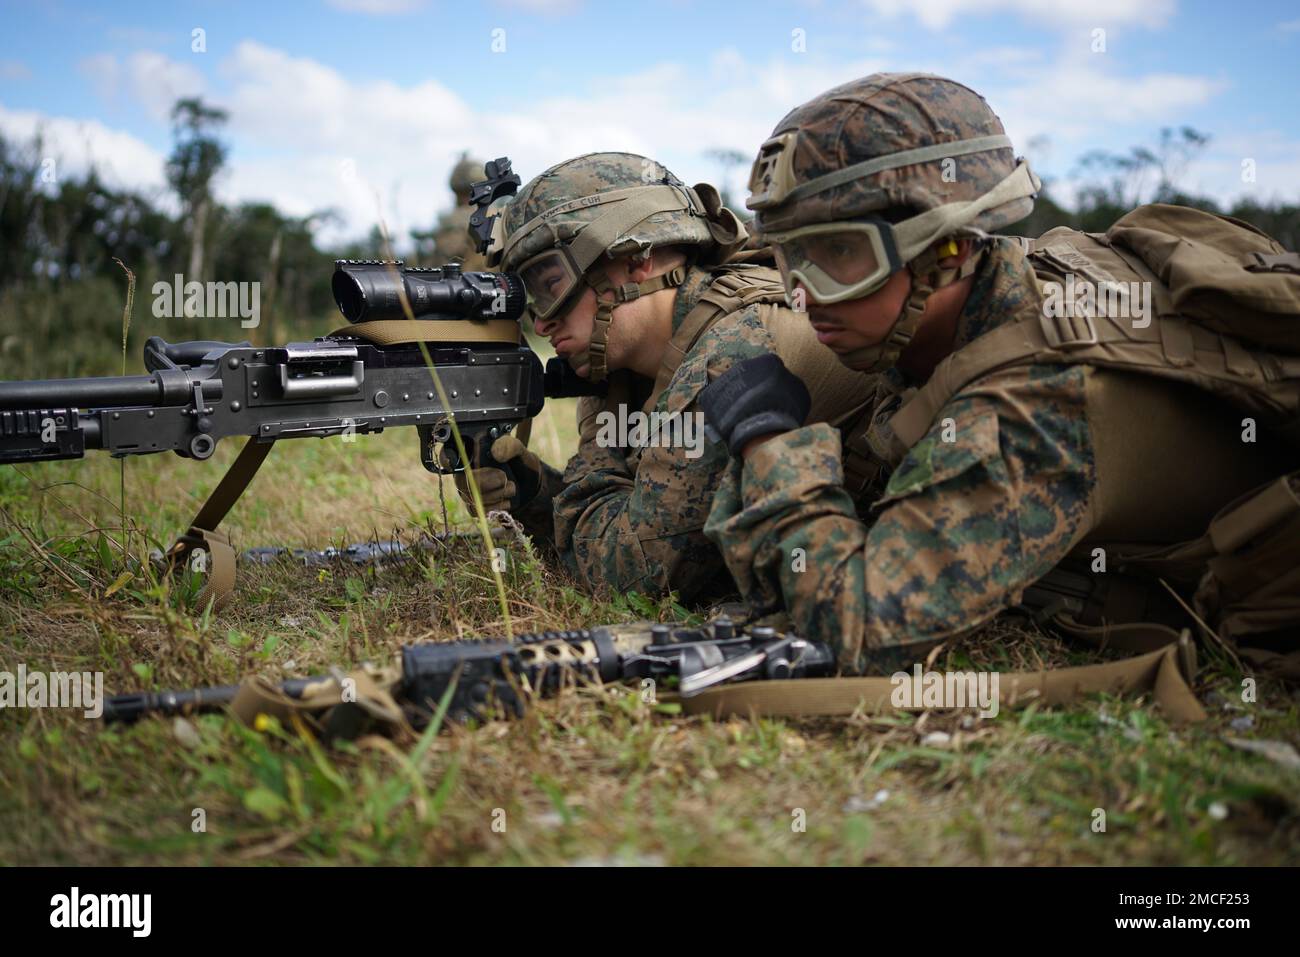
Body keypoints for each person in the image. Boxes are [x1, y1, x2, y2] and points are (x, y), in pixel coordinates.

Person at [700, 72, 1300, 674]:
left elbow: (864, 632)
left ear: (951, 250)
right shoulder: (982, 304)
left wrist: (768, 443)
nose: (804, 297)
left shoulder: (1039, 397)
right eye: (790, 259)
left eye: (841, 254)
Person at [456, 152, 876, 602]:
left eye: (551, 285)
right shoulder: (645, 355)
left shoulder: (730, 351)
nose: (542, 325)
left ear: (637, 260)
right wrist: (534, 496)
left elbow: (632, 578)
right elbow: (639, 522)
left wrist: (599, 444)